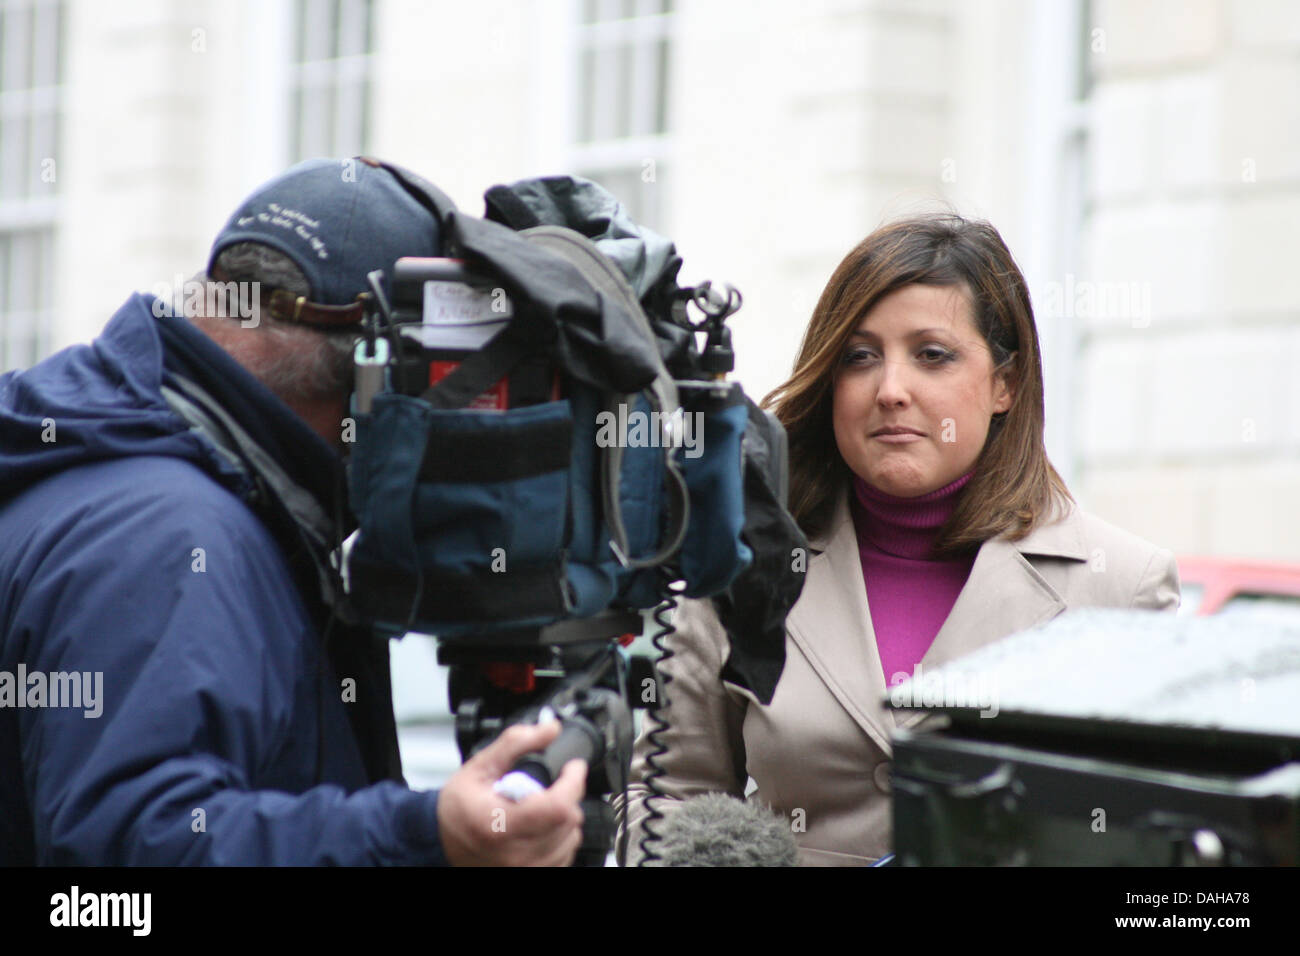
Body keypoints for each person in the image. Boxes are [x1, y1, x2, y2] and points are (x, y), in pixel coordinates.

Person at [0, 157, 586, 866]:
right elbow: (131, 859)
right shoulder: (174, 537)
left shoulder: (132, 462)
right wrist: (426, 834)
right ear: (378, 378)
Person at [615, 213, 1181, 866]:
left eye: (932, 355)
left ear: (1006, 383)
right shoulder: (736, 560)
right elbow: (661, 798)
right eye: (859, 357)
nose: (890, 391)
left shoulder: (1121, 585)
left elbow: (1155, 854)